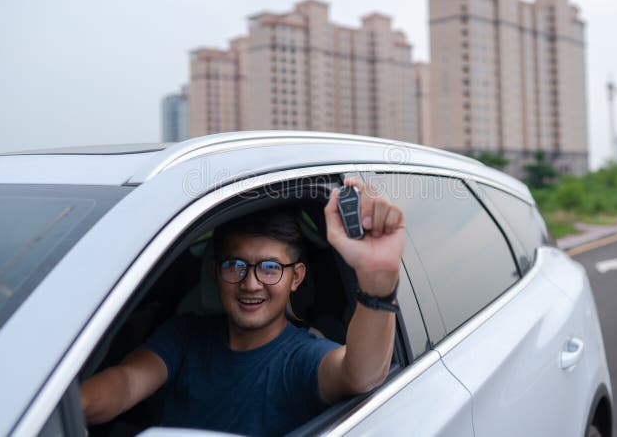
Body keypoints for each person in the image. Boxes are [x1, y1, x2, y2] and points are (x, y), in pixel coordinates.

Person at [80, 178, 405, 436]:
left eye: (269, 268)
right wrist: (64, 406)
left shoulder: (302, 358)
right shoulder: (186, 335)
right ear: (215, 272)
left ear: (296, 278)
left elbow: (360, 374)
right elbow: (124, 383)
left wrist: (378, 284)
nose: (250, 284)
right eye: (235, 265)